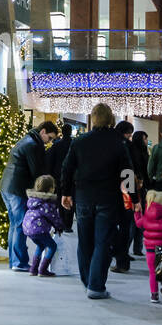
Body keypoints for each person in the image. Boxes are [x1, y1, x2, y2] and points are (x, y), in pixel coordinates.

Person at [61, 103, 135, 299]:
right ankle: (96, 285)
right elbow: (127, 172)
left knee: (84, 241)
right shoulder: (119, 142)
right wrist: (133, 198)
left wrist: (65, 193)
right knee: (103, 241)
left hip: (84, 197)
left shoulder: (80, 141)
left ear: (93, 118)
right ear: (111, 119)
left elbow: (67, 169)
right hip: (108, 199)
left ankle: (88, 282)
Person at [0, 120, 59, 271]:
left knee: (14, 225)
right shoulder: (32, 145)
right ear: (43, 131)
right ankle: (19, 263)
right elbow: (36, 172)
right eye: (49, 138)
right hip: (16, 189)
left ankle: (14, 262)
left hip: (7, 187)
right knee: (19, 226)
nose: (49, 142)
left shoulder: (27, 140)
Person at [133, 188, 162, 305]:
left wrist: (137, 213)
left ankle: (154, 295)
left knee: (152, 272)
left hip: (150, 251)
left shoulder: (145, 218)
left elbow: (138, 224)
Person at [22, 174, 64, 276]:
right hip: (39, 230)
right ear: (50, 189)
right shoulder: (46, 204)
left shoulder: (33, 201)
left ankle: (33, 269)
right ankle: (43, 270)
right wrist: (60, 227)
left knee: (40, 245)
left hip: (28, 229)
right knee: (52, 246)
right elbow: (54, 217)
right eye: (53, 187)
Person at [110, 120, 137, 274]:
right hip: (126, 193)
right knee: (124, 228)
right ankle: (122, 259)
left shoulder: (119, 145)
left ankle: (120, 258)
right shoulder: (127, 146)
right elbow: (129, 172)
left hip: (118, 193)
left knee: (116, 228)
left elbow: (128, 173)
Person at [48, 122, 74, 230]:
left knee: (59, 199)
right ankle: (68, 225)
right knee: (71, 198)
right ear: (71, 132)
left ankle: (61, 222)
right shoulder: (74, 144)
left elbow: (50, 161)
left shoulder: (56, 145)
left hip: (57, 176)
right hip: (72, 176)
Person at [129, 130, 150, 255]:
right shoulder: (134, 152)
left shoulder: (142, 152)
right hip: (136, 189)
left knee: (140, 217)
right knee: (134, 218)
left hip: (142, 189)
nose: (146, 141)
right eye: (145, 139)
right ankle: (130, 248)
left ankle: (137, 248)